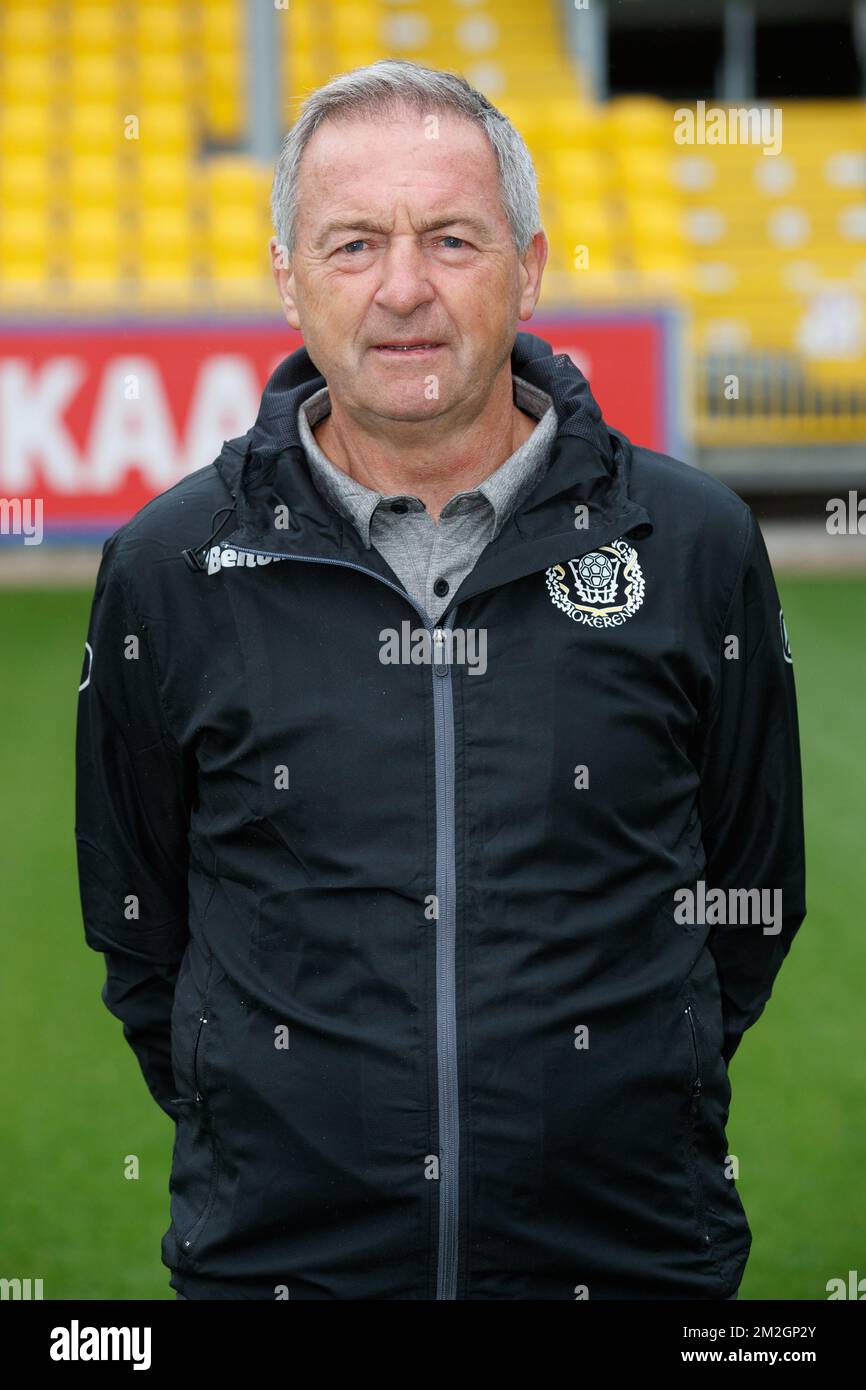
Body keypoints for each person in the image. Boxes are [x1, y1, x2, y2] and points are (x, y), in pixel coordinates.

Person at [75, 59, 805, 1301]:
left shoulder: (691, 544)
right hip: (285, 1264)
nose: (402, 289)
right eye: (352, 243)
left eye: (450, 239)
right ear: (286, 278)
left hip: (625, 1254)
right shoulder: (167, 566)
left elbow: (748, 888)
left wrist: (621, 1085)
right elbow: (141, 926)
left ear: (527, 267)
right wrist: (265, 1105)